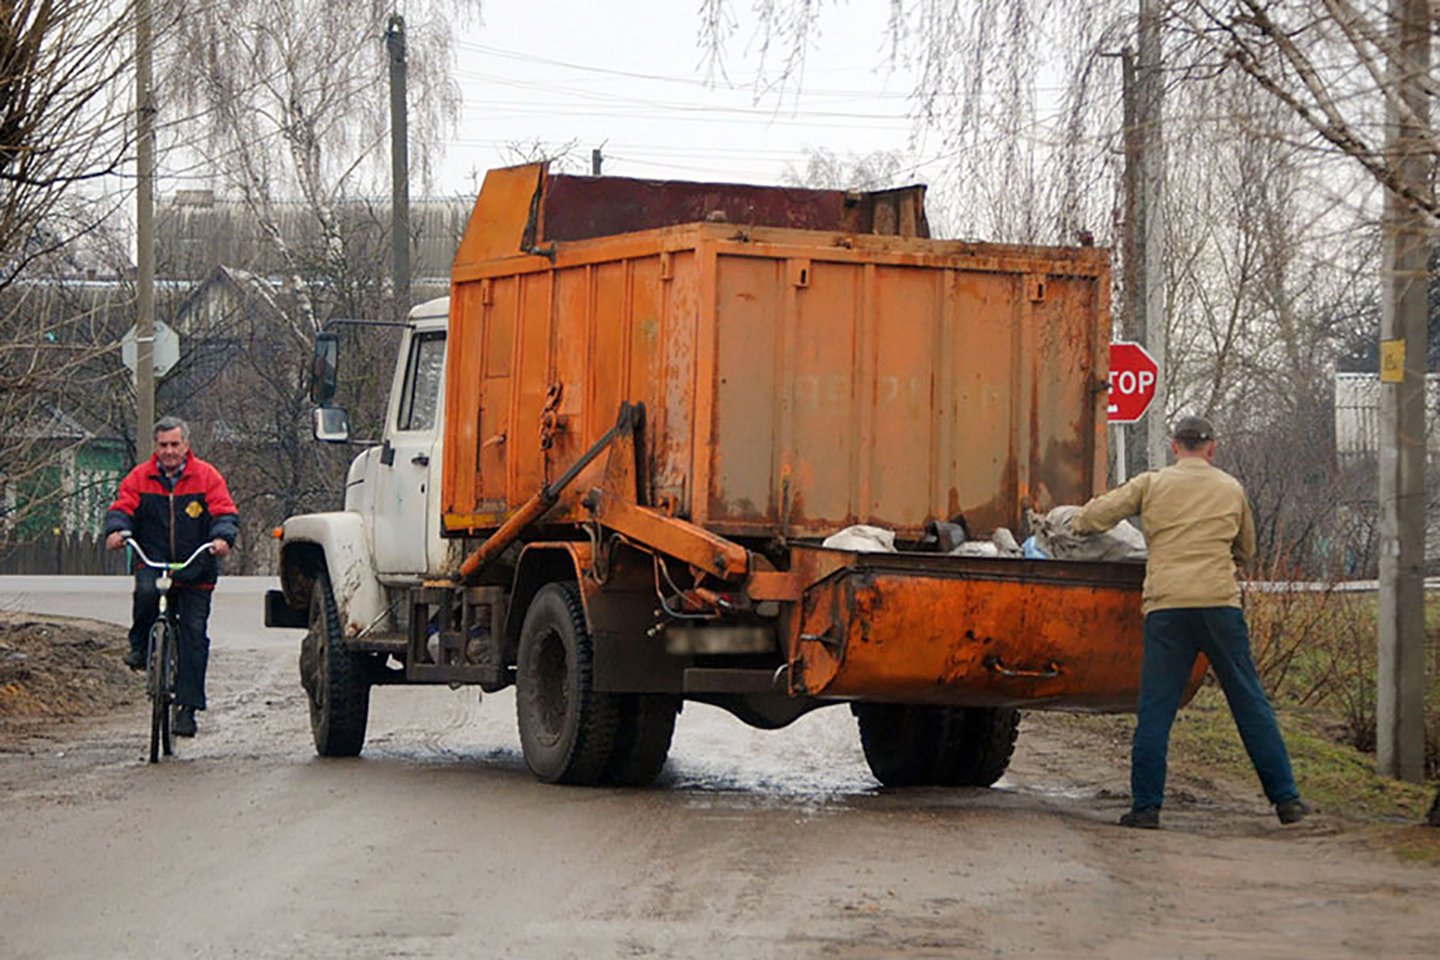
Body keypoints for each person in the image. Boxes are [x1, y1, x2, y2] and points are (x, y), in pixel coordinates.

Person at [1072, 414, 1307, 829]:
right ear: (1211, 448)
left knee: (1156, 709)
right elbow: (1246, 549)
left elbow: (1096, 517)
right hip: (1219, 604)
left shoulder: (1152, 483)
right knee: (1249, 702)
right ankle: (1286, 801)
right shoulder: (1231, 488)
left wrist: (1074, 522)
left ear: (1175, 446)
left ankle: (1146, 808)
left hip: (1167, 606)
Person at [104, 416, 238, 738]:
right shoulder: (140, 477)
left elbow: (224, 513)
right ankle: (139, 646)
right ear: (156, 447)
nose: (169, 451)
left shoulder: (206, 477)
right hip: (154, 561)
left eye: (174, 444)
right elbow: (122, 507)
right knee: (147, 594)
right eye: (163, 445)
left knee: (193, 634)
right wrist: (116, 531)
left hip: (196, 569)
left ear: (186, 445)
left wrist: (221, 539)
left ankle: (187, 709)